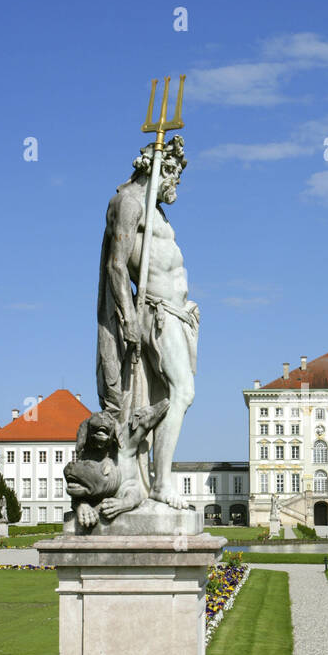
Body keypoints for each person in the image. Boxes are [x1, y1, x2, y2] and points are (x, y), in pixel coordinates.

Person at [96, 134, 199, 509]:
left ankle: (148, 480)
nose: (176, 187)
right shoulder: (129, 202)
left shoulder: (154, 209)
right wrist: (128, 318)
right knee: (182, 393)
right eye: (175, 177)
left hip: (176, 313)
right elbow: (116, 265)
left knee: (160, 399)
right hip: (155, 312)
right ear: (161, 168)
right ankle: (161, 483)